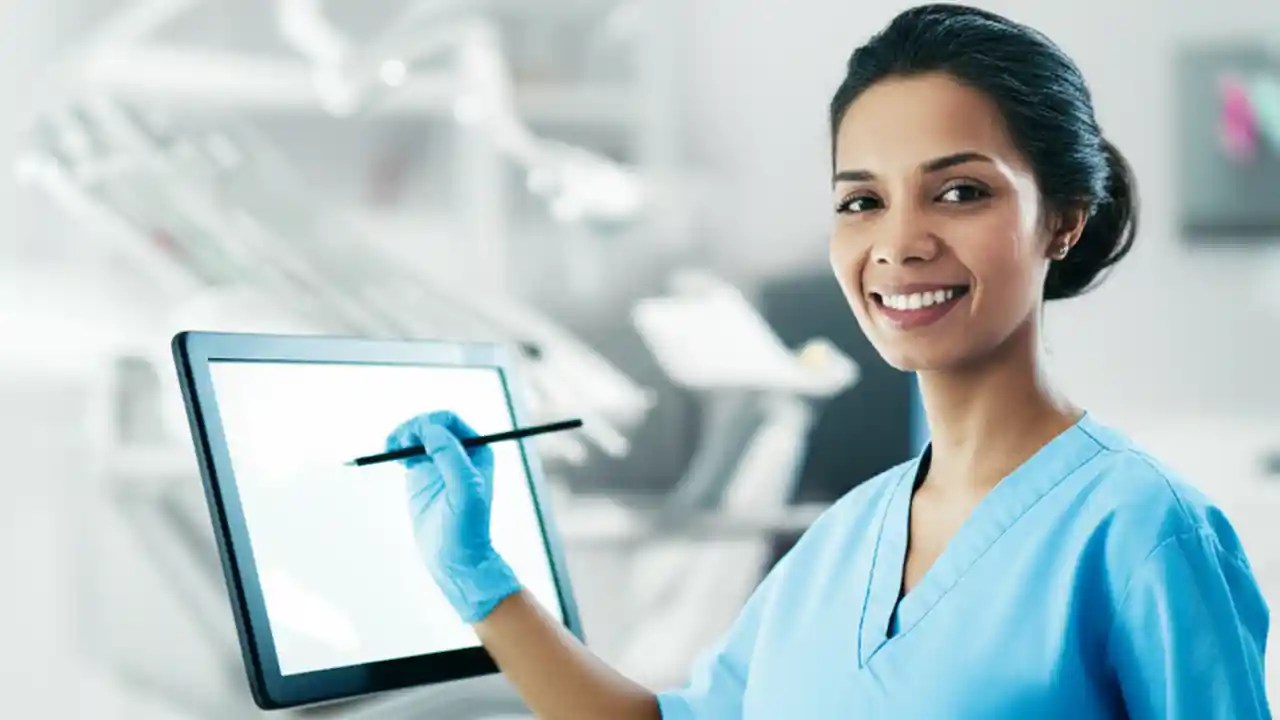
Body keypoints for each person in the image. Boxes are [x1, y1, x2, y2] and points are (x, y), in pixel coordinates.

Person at [385, 4, 1271, 718]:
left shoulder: (1142, 534)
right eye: (862, 201)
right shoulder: (841, 542)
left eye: (959, 192)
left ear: (1063, 218)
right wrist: (478, 574)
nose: (899, 243)